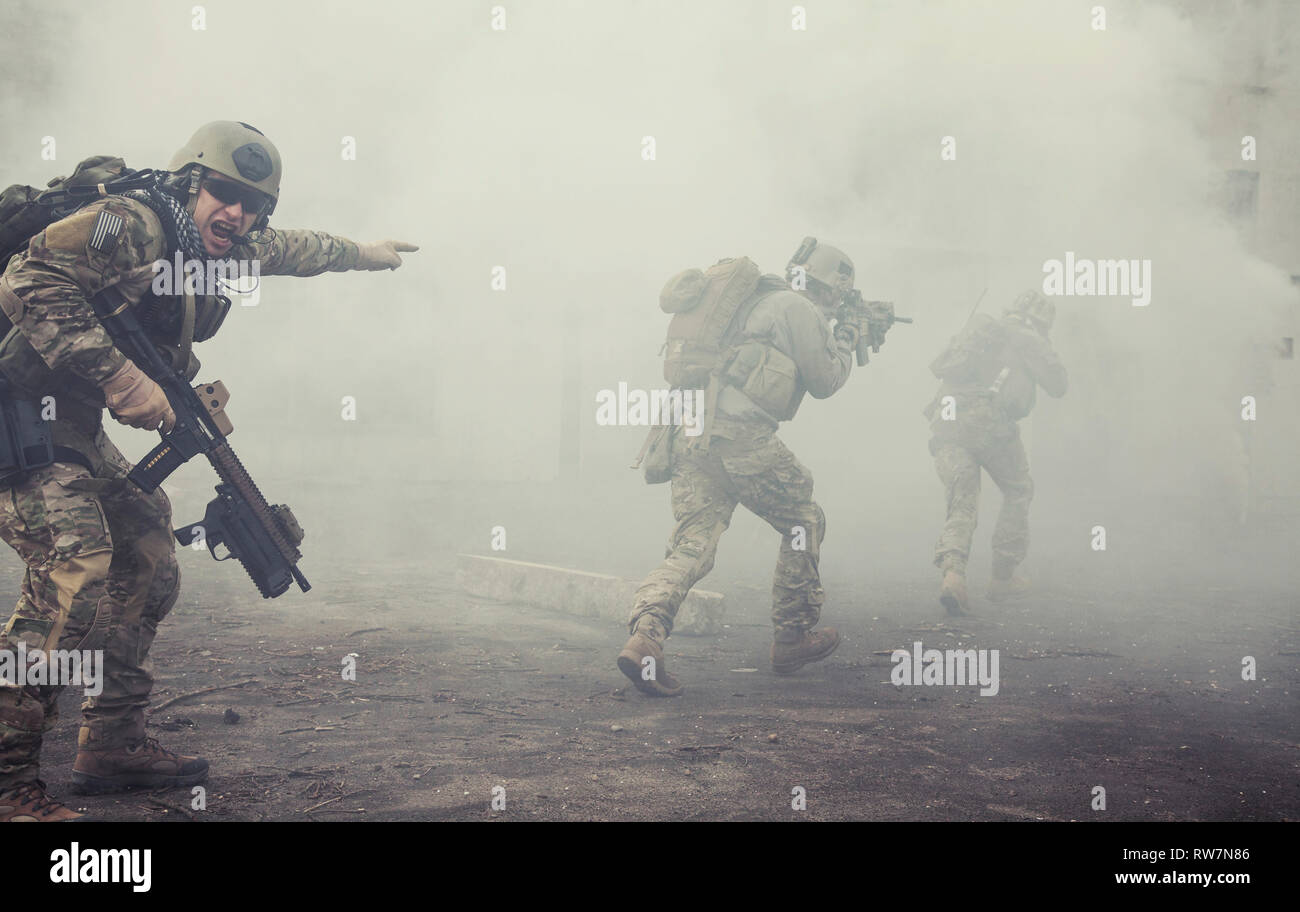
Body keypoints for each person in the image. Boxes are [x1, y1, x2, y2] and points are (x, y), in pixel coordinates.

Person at [0, 121, 417, 821]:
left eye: (254, 204)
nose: (239, 214)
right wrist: (121, 379)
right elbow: (27, 277)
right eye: (225, 194)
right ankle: (9, 779)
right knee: (76, 561)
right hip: (13, 407)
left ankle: (111, 742)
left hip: (67, 415)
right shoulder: (130, 224)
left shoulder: (217, 244)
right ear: (191, 183)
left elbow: (292, 250)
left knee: (150, 549)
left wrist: (364, 254)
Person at [619, 239, 865, 697]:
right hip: (739, 439)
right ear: (832, 288)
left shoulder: (753, 303)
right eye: (839, 296)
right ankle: (792, 637)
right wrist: (847, 340)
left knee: (692, 546)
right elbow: (826, 381)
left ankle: (645, 635)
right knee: (805, 520)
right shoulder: (799, 308)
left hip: (691, 436)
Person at [926, 290, 1067, 616]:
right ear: (1042, 322)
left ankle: (953, 576)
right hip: (990, 425)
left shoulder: (980, 331)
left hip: (947, 424)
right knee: (1018, 489)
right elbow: (1059, 385)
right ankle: (1003, 576)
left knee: (962, 501)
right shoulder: (1029, 337)